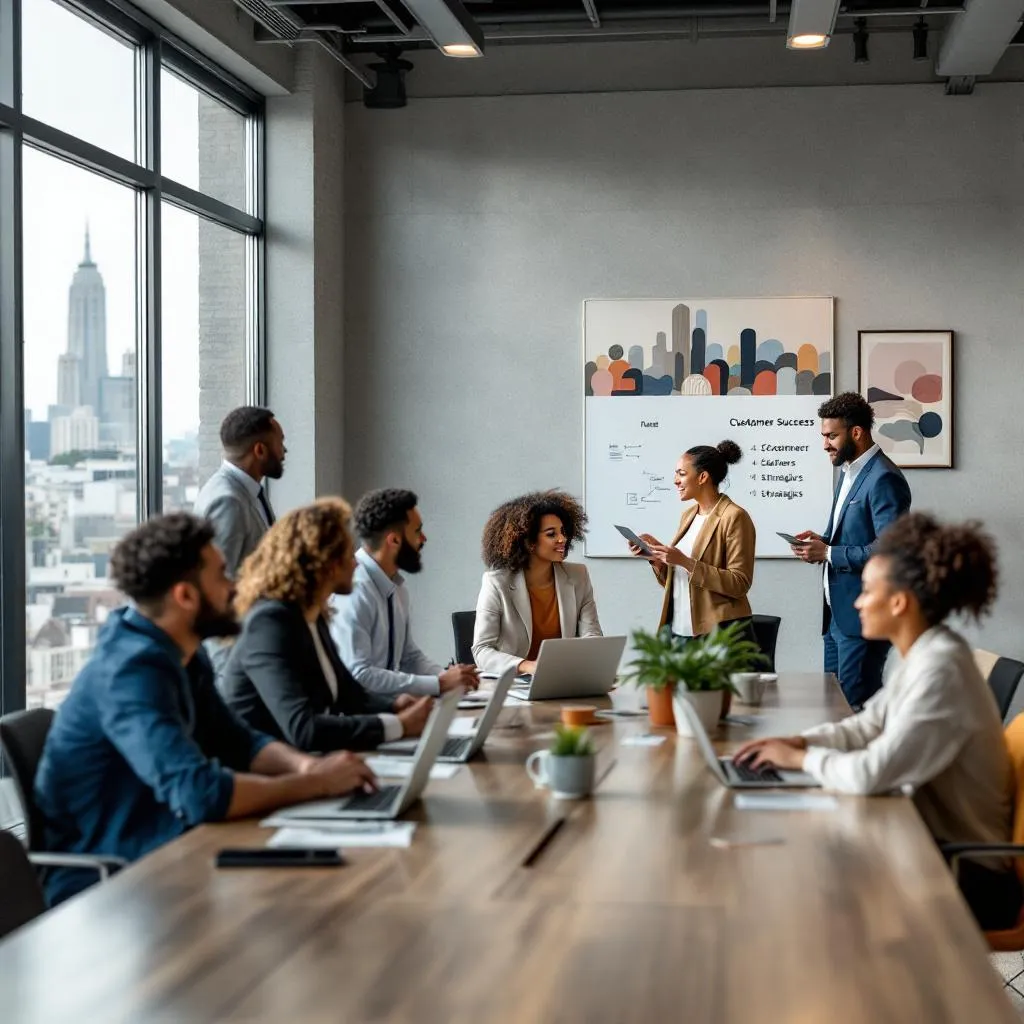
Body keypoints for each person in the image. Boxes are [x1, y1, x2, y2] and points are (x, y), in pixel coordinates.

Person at [34, 514, 377, 906]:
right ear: (185, 596)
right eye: (221, 576)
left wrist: (309, 768)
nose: (234, 587)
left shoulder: (181, 650)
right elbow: (199, 793)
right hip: (107, 886)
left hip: (171, 853)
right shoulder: (130, 673)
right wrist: (316, 784)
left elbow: (240, 742)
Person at [735, 513, 1020, 930]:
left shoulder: (940, 669)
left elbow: (872, 772)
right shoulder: (927, 653)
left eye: (867, 591)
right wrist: (800, 742)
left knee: (801, 872)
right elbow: (868, 725)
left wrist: (799, 761)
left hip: (964, 872)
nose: (856, 602)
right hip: (932, 847)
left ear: (900, 602)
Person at [221, 498, 433, 752]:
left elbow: (349, 694)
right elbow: (304, 729)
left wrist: (395, 705)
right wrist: (397, 725)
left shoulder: (313, 615)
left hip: (303, 765)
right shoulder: (269, 623)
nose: (355, 563)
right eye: (347, 553)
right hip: (263, 776)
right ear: (324, 563)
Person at [790, 392, 911, 709]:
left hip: (863, 619)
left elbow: (889, 552)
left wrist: (828, 554)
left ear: (856, 432)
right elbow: (852, 535)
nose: (825, 444)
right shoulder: (847, 473)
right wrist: (822, 541)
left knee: (856, 708)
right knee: (834, 705)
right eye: (823, 436)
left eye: (831, 436)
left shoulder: (884, 478)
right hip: (837, 618)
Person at [330, 488, 479, 697]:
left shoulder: (397, 586)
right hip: (361, 718)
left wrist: (454, 677)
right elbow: (358, 674)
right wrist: (438, 683)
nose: (424, 539)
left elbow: (409, 657)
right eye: (418, 531)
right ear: (394, 540)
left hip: (393, 707)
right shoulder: (354, 590)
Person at [628, 440, 756, 643]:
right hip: (679, 632)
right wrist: (656, 558)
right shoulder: (688, 515)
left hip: (718, 634)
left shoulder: (735, 516)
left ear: (702, 477)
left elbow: (739, 583)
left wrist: (685, 561)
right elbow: (680, 580)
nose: (675, 480)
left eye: (681, 473)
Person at [193, 406, 288, 676]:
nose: (284, 450)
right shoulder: (228, 500)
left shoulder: (248, 491)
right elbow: (219, 591)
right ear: (259, 450)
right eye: (280, 442)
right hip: (236, 660)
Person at [472, 490, 602, 675]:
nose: (562, 539)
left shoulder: (578, 575)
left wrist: (592, 659)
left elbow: (592, 634)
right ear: (529, 542)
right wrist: (528, 666)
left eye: (563, 532)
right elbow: (482, 650)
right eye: (551, 534)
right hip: (516, 683)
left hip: (563, 677)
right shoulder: (496, 583)